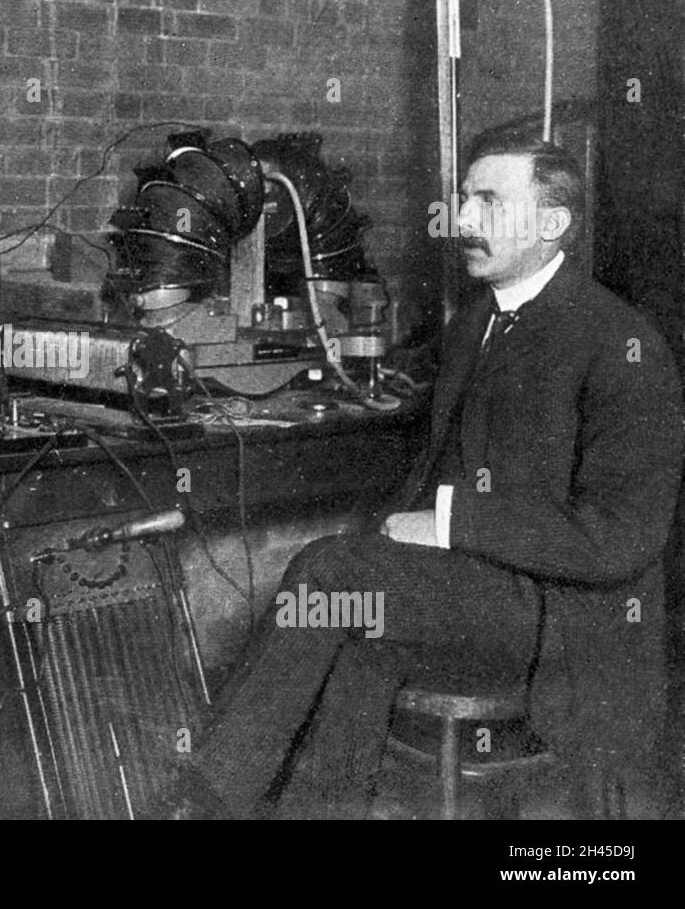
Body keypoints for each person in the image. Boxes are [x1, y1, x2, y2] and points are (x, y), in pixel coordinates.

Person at [183, 137, 685, 818]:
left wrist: (446, 523)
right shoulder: (478, 321)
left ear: (552, 223)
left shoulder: (620, 344)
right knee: (356, 640)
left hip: (564, 618)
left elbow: (621, 539)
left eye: (490, 201)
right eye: (464, 199)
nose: (465, 220)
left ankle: (203, 802)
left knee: (331, 572)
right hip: (477, 596)